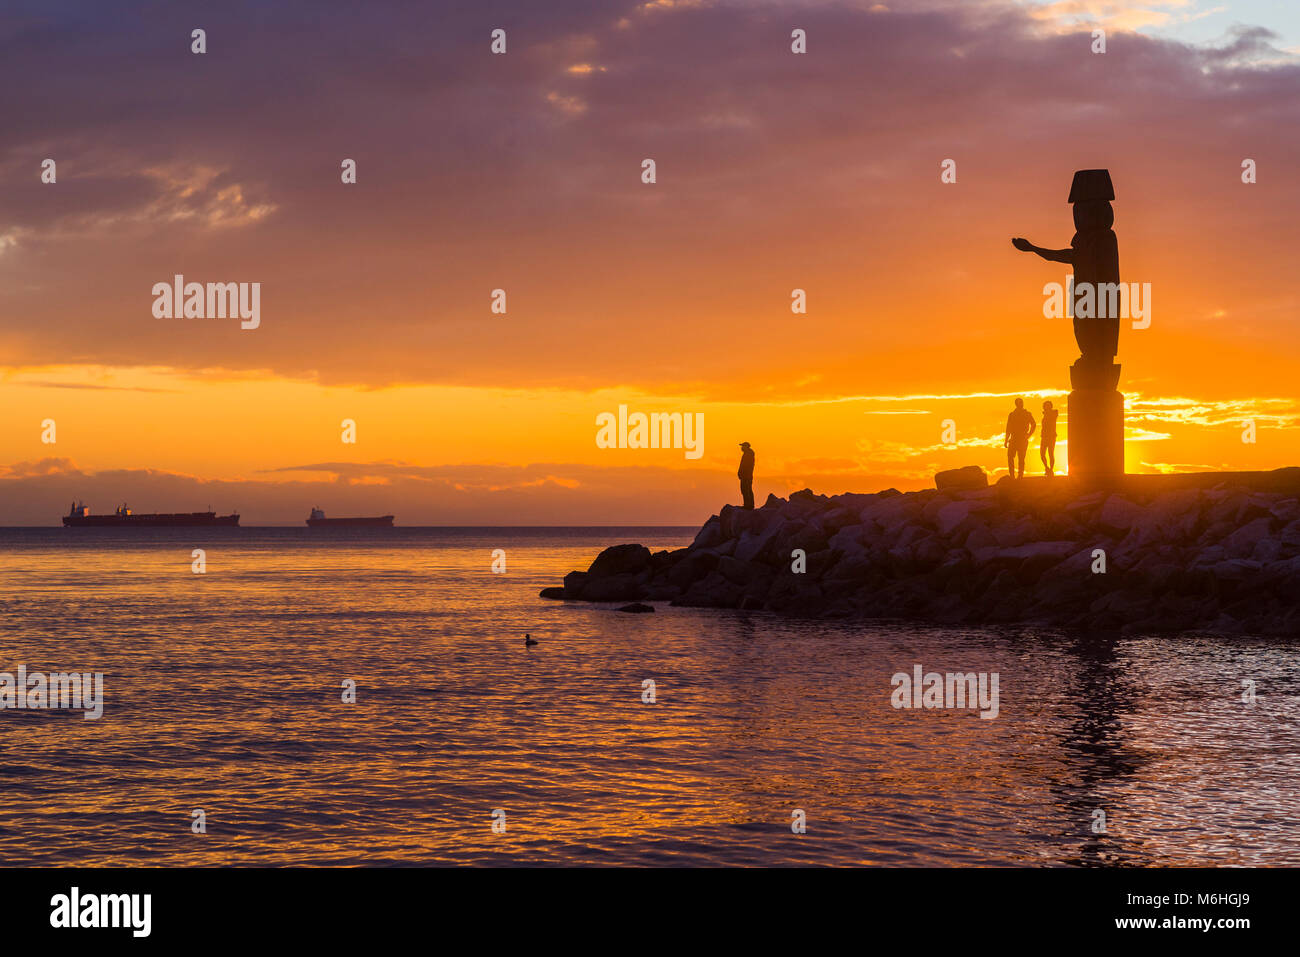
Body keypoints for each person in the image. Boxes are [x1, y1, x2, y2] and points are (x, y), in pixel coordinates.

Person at [1004, 399, 1036, 479]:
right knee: (1010, 456)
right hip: (1013, 439)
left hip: (1023, 439)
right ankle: (1012, 475)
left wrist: (1029, 434)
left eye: (1021, 403)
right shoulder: (1012, 415)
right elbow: (1008, 428)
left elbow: (1033, 424)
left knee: (1021, 458)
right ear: (1016, 404)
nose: (1021, 404)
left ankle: (1020, 475)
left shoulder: (1027, 414)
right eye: (1019, 403)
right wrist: (1006, 440)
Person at [1040, 400, 1059, 476]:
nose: (1047, 407)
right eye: (1045, 406)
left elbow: (1053, 416)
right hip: (1044, 437)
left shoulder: (1054, 413)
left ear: (1051, 406)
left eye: (1048, 405)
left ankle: (1051, 470)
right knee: (1042, 454)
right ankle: (1047, 468)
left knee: (1050, 453)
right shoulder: (1045, 415)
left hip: (1051, 437)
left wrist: (1047, 412)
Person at [737, 442, 755, 509]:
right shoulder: (747, 454)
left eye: (743, 446)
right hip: (746, 476)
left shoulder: (748, 454)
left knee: (746, 490)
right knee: (746, 490)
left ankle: (748, 505)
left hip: (746, 476)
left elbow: (746, 466)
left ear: (746, 447)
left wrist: (742, 473)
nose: (741, 448)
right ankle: (748, 505)